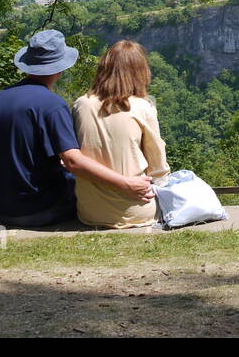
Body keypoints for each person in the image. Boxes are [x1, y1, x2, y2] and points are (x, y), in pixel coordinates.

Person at [0, 29, 154, 227]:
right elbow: (73, 162)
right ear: (60, 68)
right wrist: (127, 184)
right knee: (86, 187)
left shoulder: (0, 98)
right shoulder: (52, 105)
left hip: (3, 208)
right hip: (38, 210)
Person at [72, 40, 170, 229]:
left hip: (89, 211)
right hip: (136, 211)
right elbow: (158, 168)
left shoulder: (81, 104)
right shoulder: (143, 106)